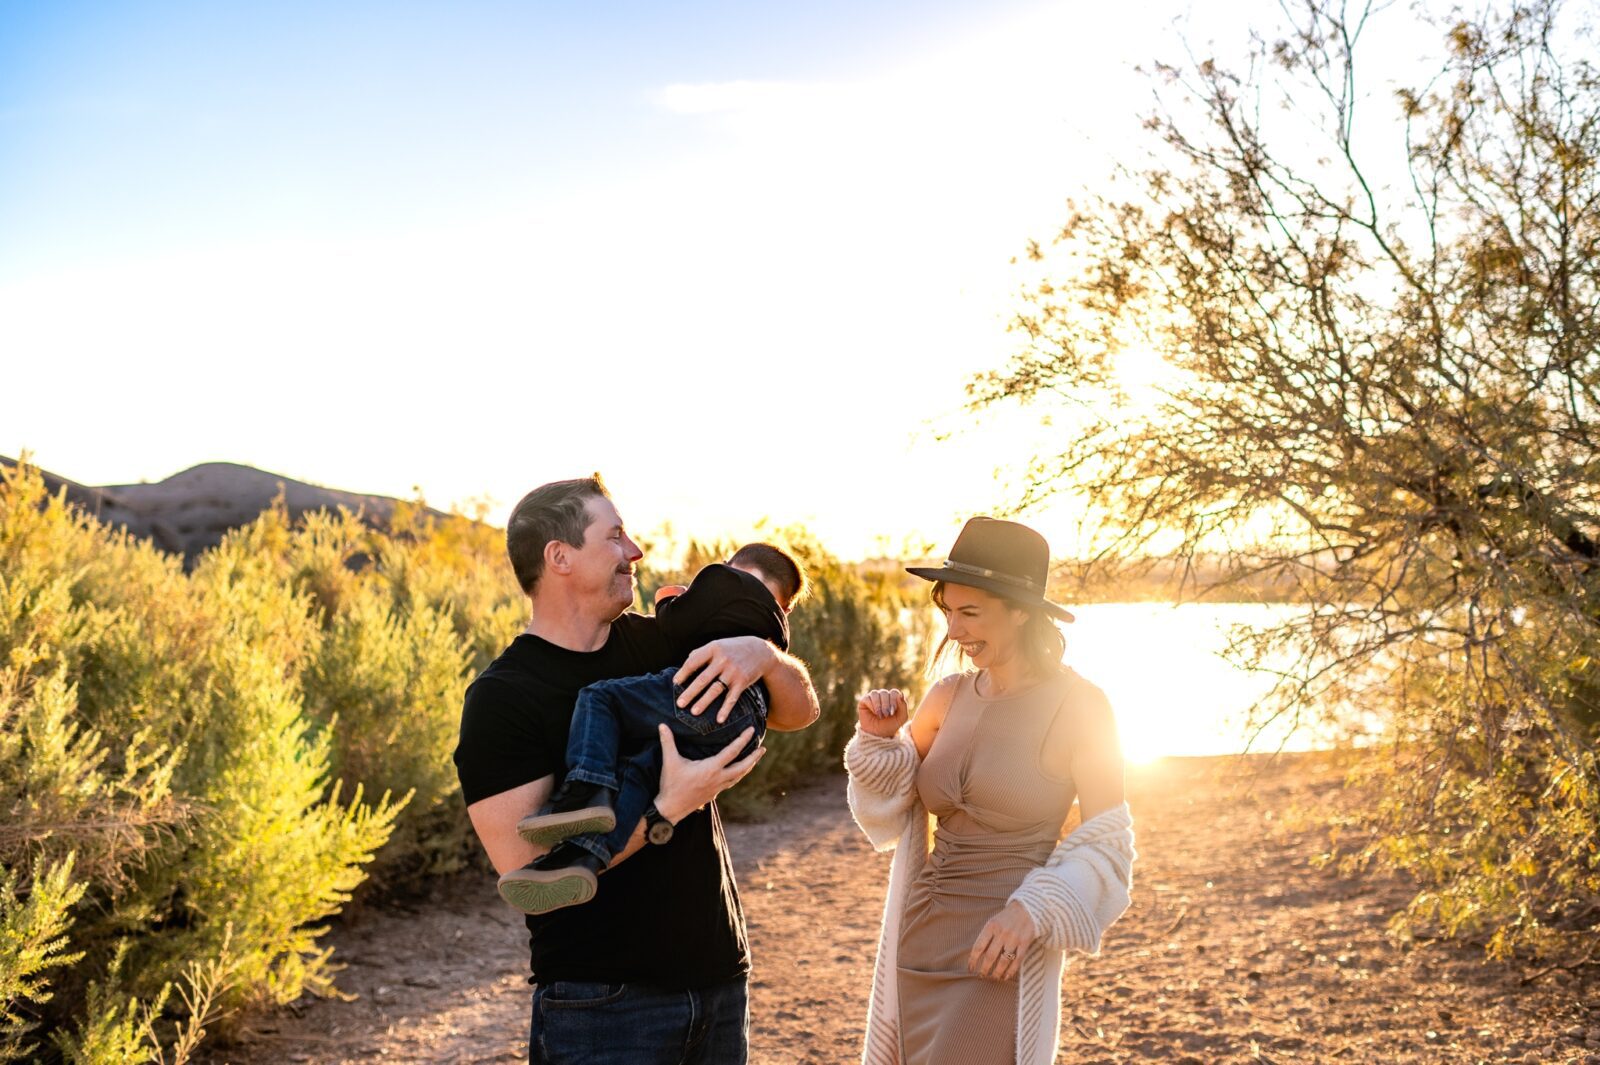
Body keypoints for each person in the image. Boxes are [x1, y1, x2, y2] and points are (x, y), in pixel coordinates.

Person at [453, 476, 820, 1065]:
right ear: (560, 557)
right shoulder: (503, 698)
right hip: (601, 1004)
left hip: (720, 980)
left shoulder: (665, 644)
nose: (636, 552)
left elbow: (798, 712)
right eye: (616, 535)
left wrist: (766, 657)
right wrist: (665, 810)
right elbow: (526, 872)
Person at [844, 516, 1137, 1065]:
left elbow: (1109, 849)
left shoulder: (1082, 706)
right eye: (948, 611)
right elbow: (884, 810)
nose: (953, 631)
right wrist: (878, 744)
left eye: (971, 612)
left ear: (1022, 609)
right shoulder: (947, 696)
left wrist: (1035, 908)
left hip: (1001, 953)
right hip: (920, 939)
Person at [500, 542, 807, 914]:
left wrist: (667, 600)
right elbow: (793, 709)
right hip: (743, 727)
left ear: (732, 566)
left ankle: (586, 790)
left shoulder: (724, 580)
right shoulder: (775, 626)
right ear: (787, 605)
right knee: (641, 769)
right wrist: (769, 656)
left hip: (706, 693)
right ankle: (584, 858)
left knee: (601, 699)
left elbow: (678, 622)